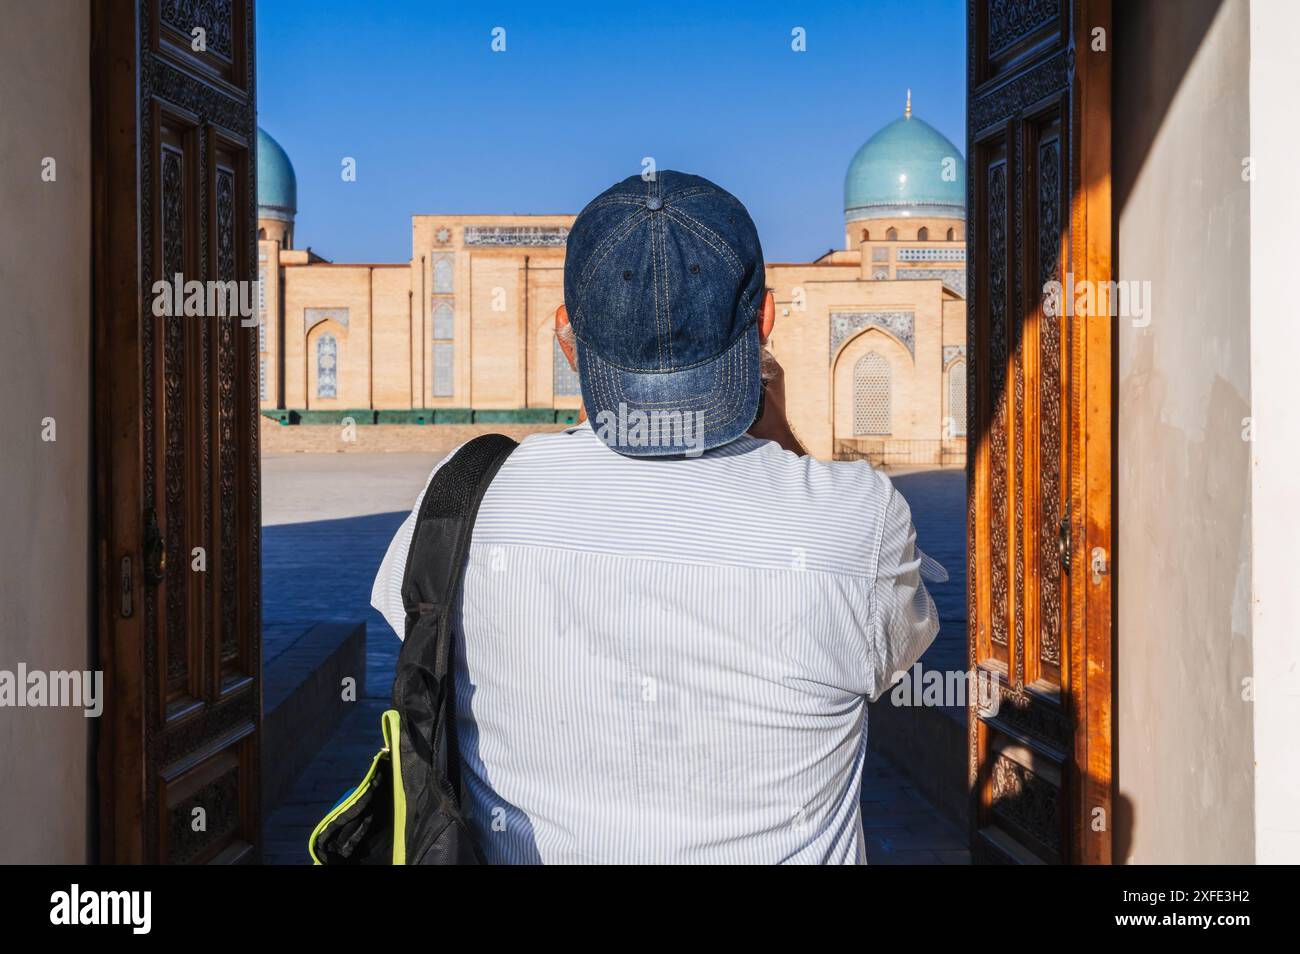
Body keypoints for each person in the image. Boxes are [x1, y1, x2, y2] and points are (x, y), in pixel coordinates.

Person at [372, 171, 939, 863]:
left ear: (566, 338)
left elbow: (416, 636)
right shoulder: (858, 517)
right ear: (763, 322)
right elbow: (885, 656)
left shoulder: (464, 495)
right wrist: (777, 427)